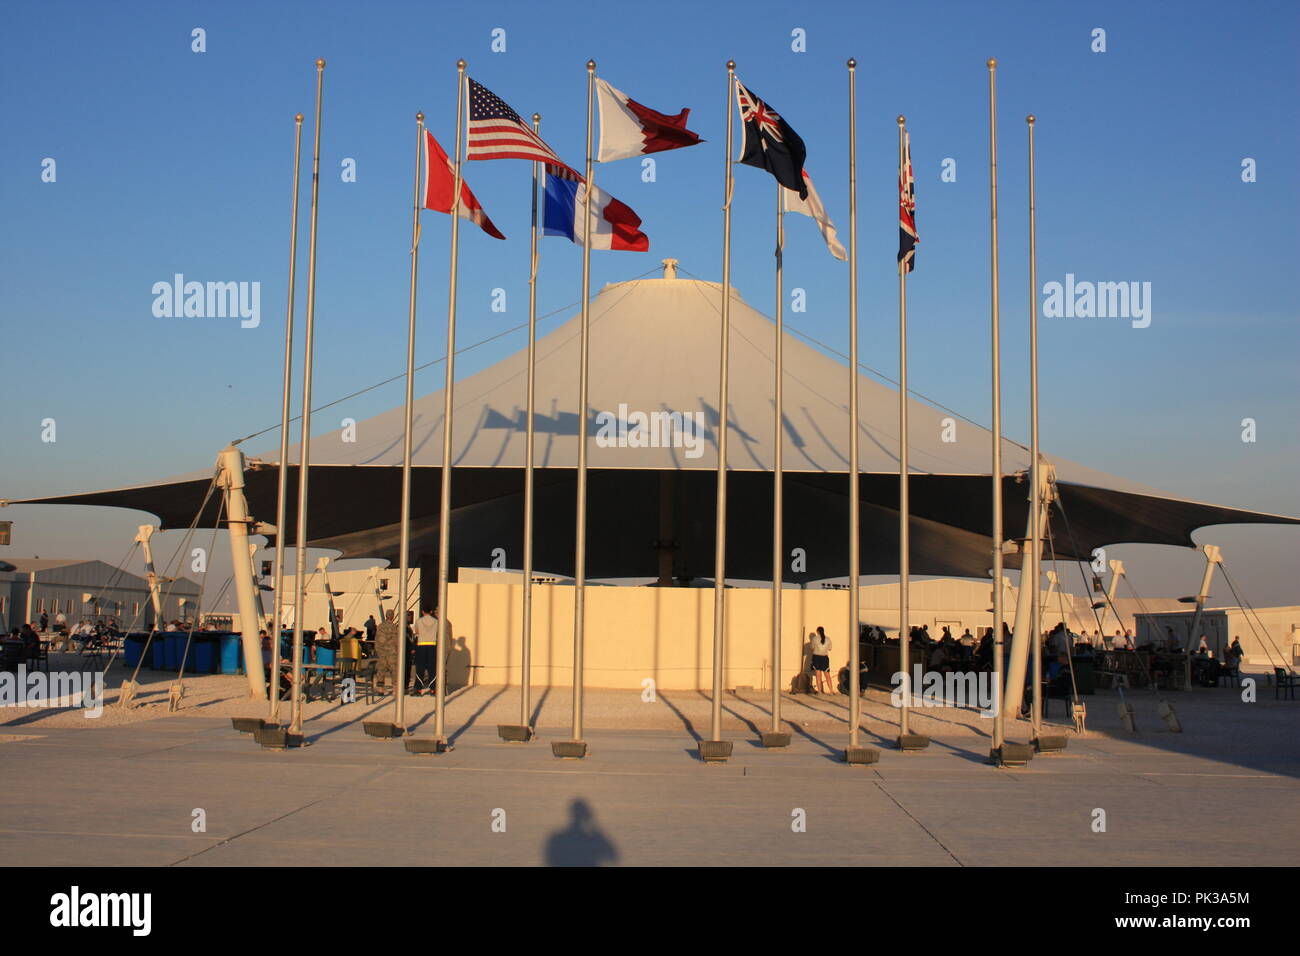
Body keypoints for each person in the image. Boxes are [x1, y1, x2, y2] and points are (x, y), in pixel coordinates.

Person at [373, 610, 400, 695]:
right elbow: (397, 640)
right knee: (394, 670)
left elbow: (377, 639)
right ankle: (395, 689)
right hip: (392, 652)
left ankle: (380, 688)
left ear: (386, 616)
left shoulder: (380, 626)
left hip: (382, 651)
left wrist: (377, 650)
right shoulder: (395, 627)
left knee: (381, 670)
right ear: (392, 616)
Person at [413, 608, 439, 694]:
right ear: (431, 611)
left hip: (421, 645)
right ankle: (433, 688)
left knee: (420, 668)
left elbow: (416, 632)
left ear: (423, 611)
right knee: (432, 668)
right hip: (432, 645)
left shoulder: (418, 621)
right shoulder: (436, 621)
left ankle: (418, 688)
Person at [809, 626, 833, 694]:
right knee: (827, 675)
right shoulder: (828, 639)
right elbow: (830, 648)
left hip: (816, 657)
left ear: (817, 632)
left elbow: (812, 648)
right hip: (825, 658)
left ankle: (819, 691)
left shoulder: (814, 639)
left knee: (818, 675)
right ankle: (831, 691)